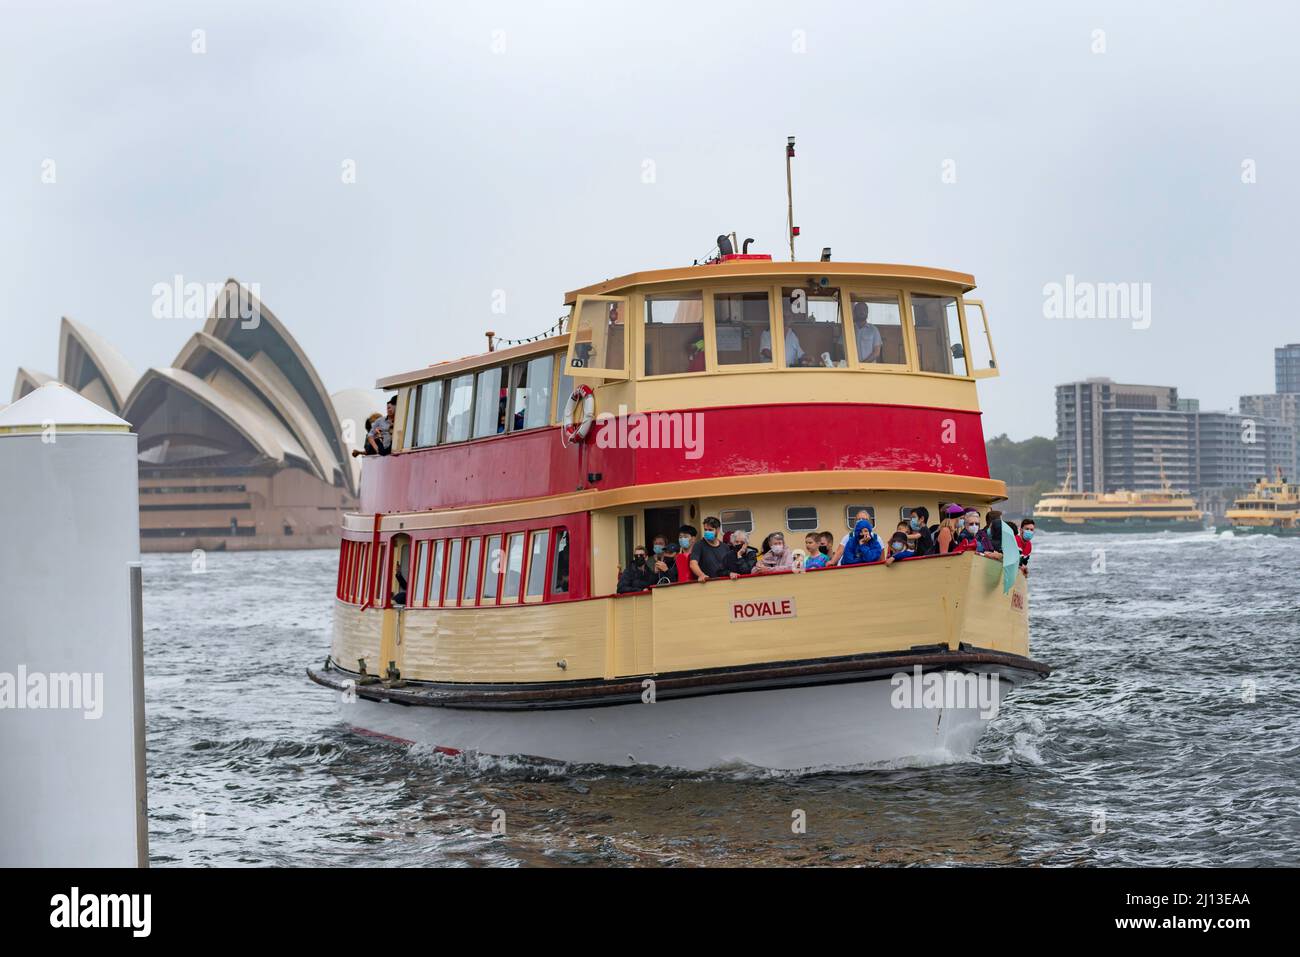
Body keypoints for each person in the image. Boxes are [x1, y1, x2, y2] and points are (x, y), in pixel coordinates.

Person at [689, 517, 740, 581]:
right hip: (707, 584)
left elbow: (729, 566)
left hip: (724, 584)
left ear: (718, 529)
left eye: (710, 530)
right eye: (705, 530)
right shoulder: (698, 545)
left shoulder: (725, 547)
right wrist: (701, 575)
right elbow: (693, 564)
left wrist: (731, 573)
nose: (707, 532)